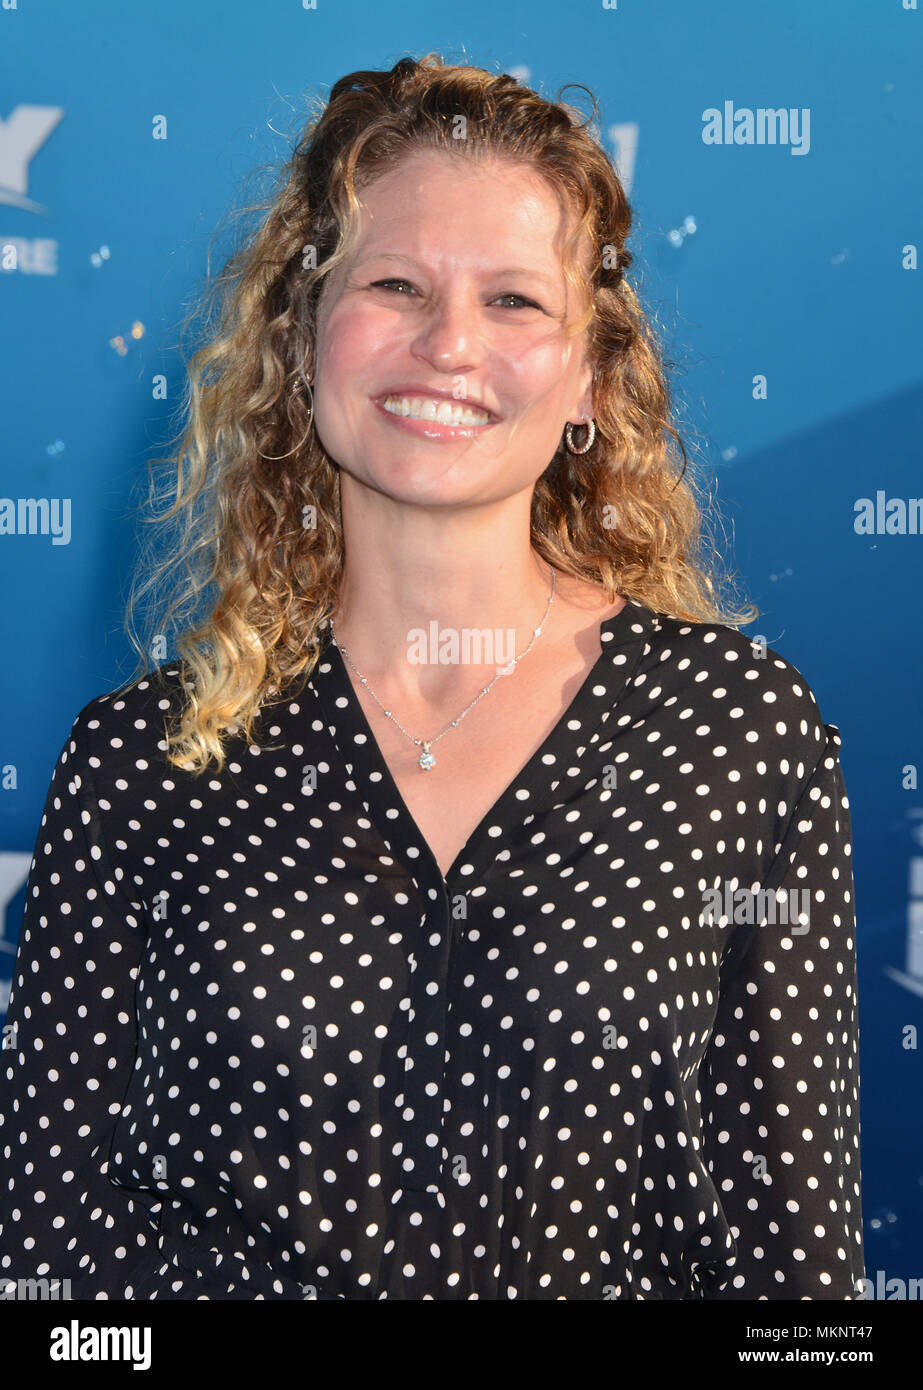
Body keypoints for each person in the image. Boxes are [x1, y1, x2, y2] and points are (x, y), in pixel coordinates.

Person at [0, 54, 863, 1300]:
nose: (449, 343)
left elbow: (796, 1276)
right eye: (394, 283)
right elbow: (50, 1272)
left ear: (588, 379)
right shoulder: (144, 762)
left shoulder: (737, 735)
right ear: (300, 342)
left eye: (514, 301)